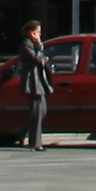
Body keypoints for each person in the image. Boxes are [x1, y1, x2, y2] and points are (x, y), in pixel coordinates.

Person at [13, 17, 57, 147]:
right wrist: (44, 57)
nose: (40, 35)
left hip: (39, 80)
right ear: (32, 33)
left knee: (41, 110)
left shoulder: (34, 44)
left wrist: (39, 44)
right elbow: (37, 58)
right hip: (32, 81)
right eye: (38, 32)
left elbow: (40, 53)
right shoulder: (26, 43)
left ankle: (21, 133)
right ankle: (35, 143)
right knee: (37, 111)